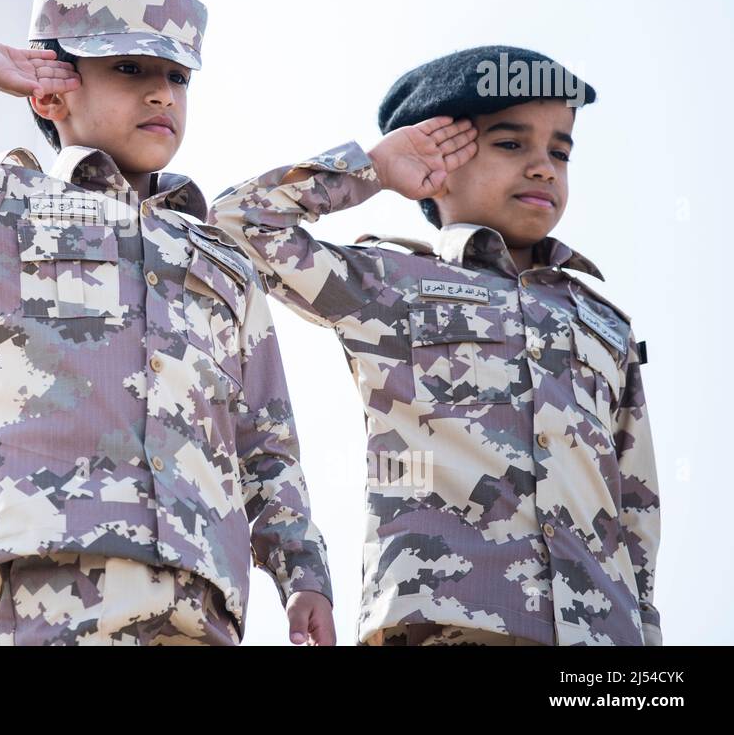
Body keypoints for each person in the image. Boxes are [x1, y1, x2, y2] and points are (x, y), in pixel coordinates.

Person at [0, 0, 334, 645]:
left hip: (200, 603)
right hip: (61, 591)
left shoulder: (223, 258)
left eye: (178, 76)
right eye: (129, 68)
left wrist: (305, 577)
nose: (161, 94)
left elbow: (267, 444)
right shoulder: (5, 205)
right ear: (54, 88)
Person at [208, 45, 661, 645]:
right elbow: (239, 225)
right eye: (510, 144)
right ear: (436, 162)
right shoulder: (390, 283)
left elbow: (636, 508)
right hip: (441, 623)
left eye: (560, 151)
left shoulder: (605, 325)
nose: (543, 167)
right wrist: (372, 169)